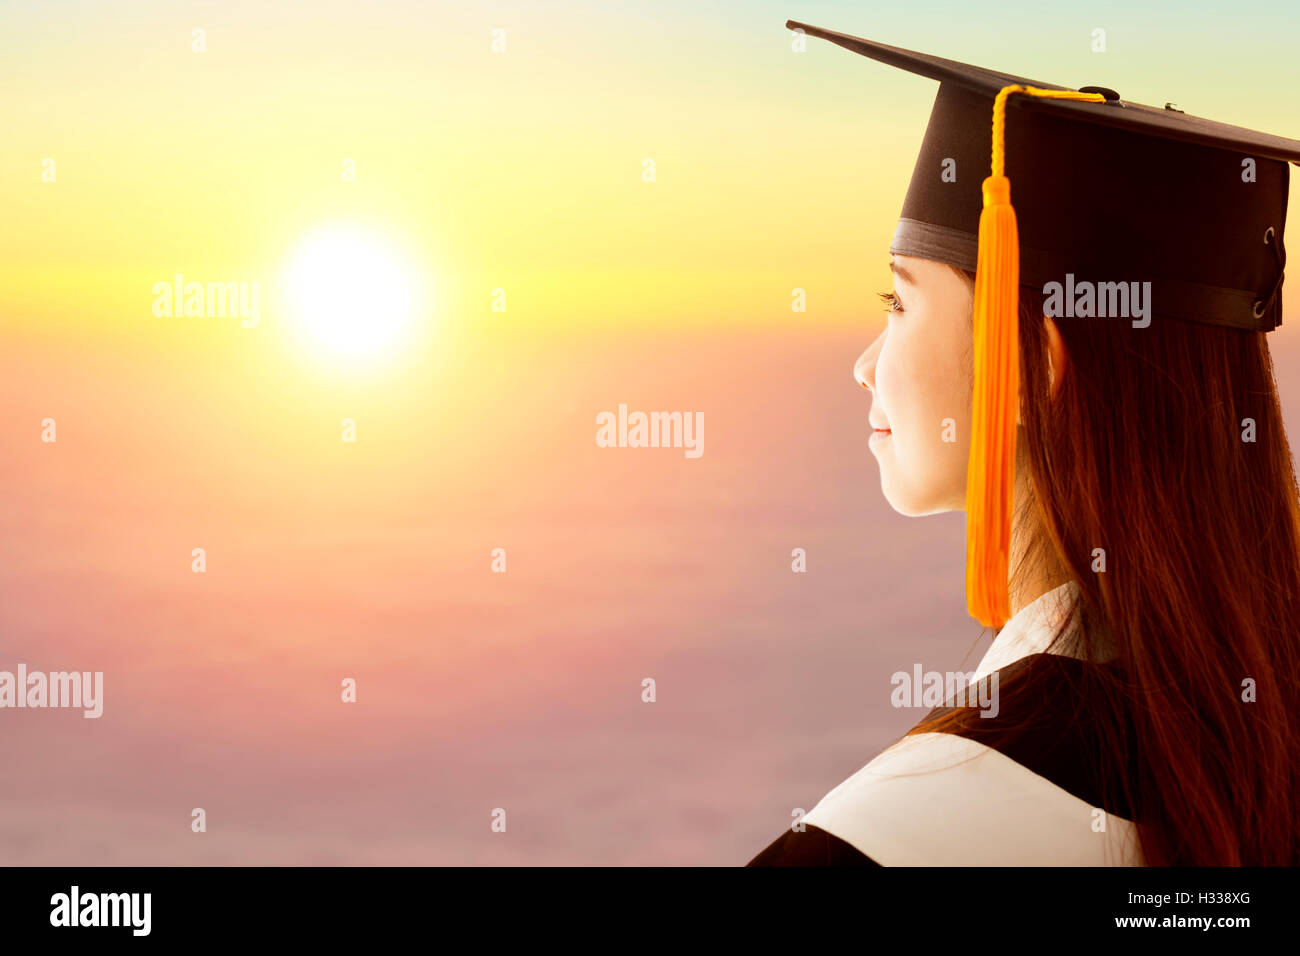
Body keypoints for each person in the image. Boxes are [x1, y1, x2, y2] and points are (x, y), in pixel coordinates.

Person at [748, 21, 1300, 865]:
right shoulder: (1258, 728)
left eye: (896, 302)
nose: (866, 365)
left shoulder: (889, 838)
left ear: (1027, 358)